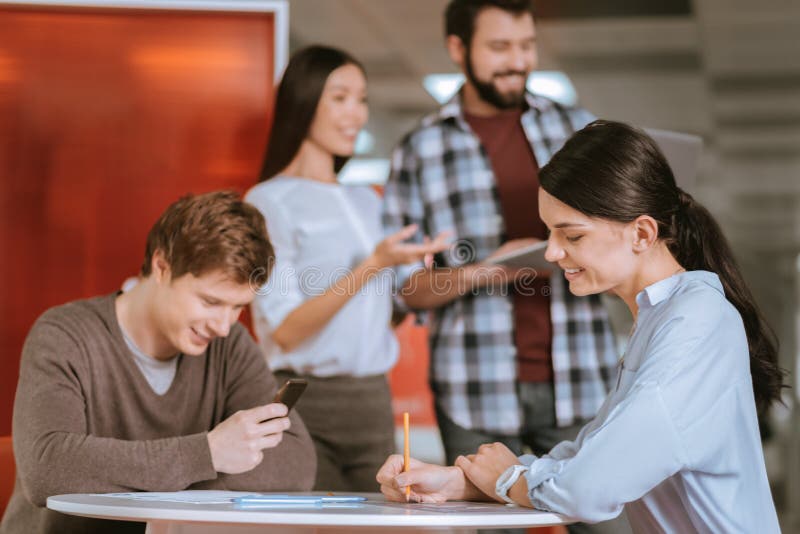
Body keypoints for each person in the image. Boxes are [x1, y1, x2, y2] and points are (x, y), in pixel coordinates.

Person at [377, 120, 785, 533]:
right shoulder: (661, 317)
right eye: (550, 233)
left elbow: (588, 487)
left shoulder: (695, 322)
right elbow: (585, 457)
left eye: (572, 236)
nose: (551, 253)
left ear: (642, 233)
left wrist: (508, 479)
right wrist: (460, 482)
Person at [383, 2, 626, 531]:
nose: (517, 61)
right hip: (475, 391)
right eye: (499, 48)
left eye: (526, 45)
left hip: (582, 380)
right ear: (458, 49)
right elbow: (404, 290)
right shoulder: (420, 150)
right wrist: (487, 269)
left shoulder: (576, 128)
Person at [0, 192, 316, 534]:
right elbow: (48, 468)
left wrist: (142, 474)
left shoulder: (230, 346)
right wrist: (207, 454)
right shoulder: (64, 334)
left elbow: (295, 461)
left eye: (238, 307)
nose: (223, 326)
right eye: (210, 302)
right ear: (162, 267)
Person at [245, 45, 447, 492]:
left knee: (378, 517)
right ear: (303, 102)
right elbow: (286, 331)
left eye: (362, 99)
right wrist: (373, 265)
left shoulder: (367, 200)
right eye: (340, 98)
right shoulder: (268, 201)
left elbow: (385, 310)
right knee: (310, 521)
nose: (356, 113)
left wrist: (449, 271)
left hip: (372, 398)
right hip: (304, 400)